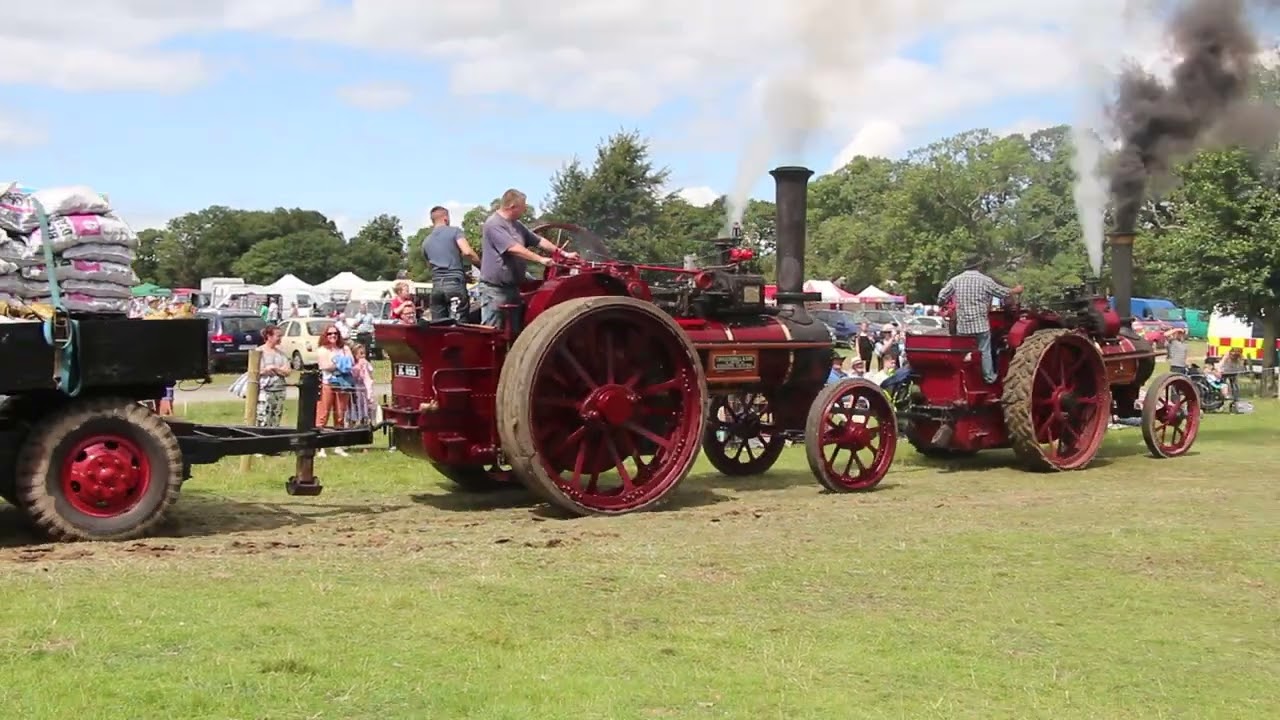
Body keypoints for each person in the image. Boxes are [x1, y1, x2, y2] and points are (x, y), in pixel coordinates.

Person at [477, 188, 577, 326]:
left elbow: (539, 241)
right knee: (493, 332)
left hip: (513, 288)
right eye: (523, 208)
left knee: (515, 331)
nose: (524, 211)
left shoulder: (517, 225)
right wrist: (540, 259)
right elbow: (513, 248)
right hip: (495, 290)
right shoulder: (493, 224)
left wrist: (563, 253)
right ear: (512, 207)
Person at [936, 255, 1023, 386]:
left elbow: (941, 296)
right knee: (985, 350)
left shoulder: (956, 280)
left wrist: (942, 303)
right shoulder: (984, 280)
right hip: (980, 325)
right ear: (979, 266)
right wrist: (1015, 290)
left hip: (963, 326)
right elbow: (1002, 293)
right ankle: (989, 378)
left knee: (964, 352)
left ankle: (964, 378)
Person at [423, 205, 480, 321]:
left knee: (438, 327)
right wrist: (482, 266)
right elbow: (467, 252)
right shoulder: (455, 232)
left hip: (436, 287)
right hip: (455, 285)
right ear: (446, 218)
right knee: (459, 326)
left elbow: (430, 265)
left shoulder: (426, 242)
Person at [255, 324, 291, 428]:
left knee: (276, 418)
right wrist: (268, 370)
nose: (280, 338)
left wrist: (274, 368)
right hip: (264, 390)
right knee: (264, 418)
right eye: (278, 336)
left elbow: (287, 371)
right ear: (269, 336)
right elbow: (257, 371)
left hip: (279, 390)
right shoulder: (259, 352)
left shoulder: (281, 354)